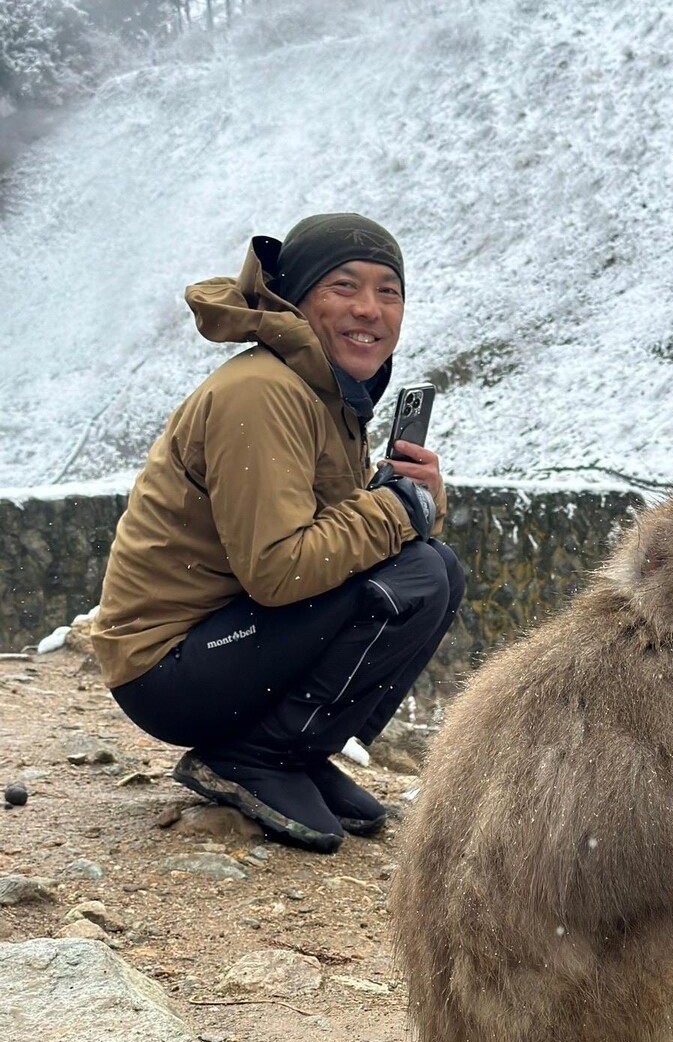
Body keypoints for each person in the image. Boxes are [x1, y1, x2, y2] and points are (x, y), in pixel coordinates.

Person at [91, 213, 464, 854]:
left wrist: (417, 500)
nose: (370, 309)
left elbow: (340, 537)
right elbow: (279, 568)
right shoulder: (263, 392)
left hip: (225, 642)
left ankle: (299, 750)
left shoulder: (324, 393)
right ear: (296, 299)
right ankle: (255, 757)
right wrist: (397, 512)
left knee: (437, 568)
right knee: (419, 576)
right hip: (167, 668)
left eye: (389, 291)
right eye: (343, 286)